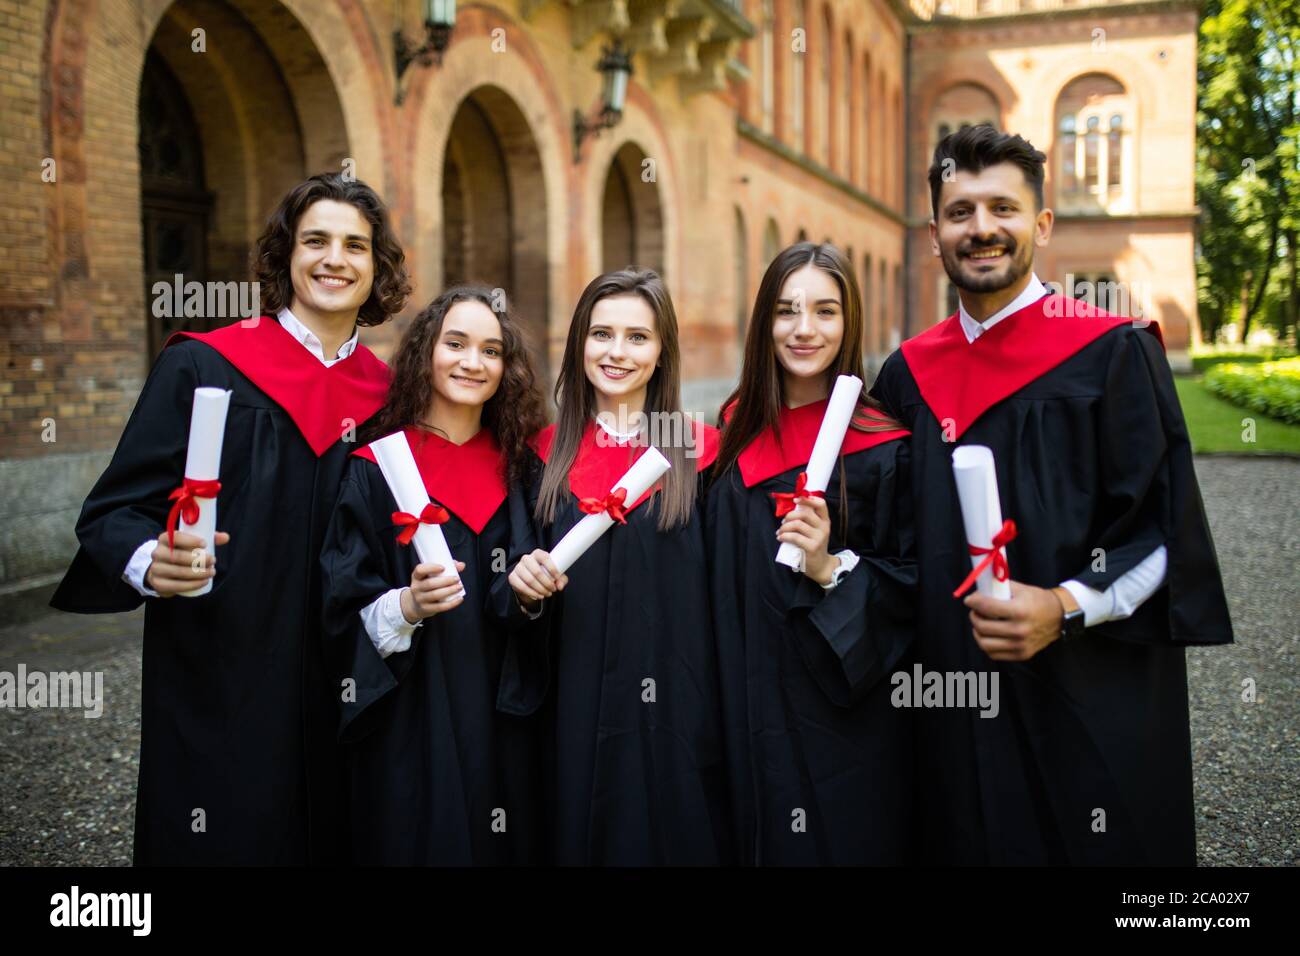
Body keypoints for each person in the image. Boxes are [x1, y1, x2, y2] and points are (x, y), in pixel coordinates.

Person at [870, 125, 1234, 865]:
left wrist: (1065, 605)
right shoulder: (907, 376)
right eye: (959, 212)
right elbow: (886, 545)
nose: (980, 229)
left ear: (1040, 223)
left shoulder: (1112, 353)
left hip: (1084, 689)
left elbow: (1165, 536)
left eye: (1001, 208)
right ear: (935, 232)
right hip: (950, 699)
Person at [51, 173, 411, 865]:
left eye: (355, 246)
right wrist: (147, 559)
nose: (334, 258)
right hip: (222, 657)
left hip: (346, 660)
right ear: (285, 257)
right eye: (315, 241)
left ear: (376, 269)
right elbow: (113, 510)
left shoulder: (389, 398)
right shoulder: (204, 365)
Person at [495, 267, 732, 865]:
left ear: (661, 353)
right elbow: (509, 596)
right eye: (601, 334)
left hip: (681, 708)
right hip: (571, 707)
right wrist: (521, 592)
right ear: (578, 345)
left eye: (638, 337)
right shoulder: (540, 457)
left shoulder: (701, 454)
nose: (617, 352)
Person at [320, 286, 547, 865]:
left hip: (503, 708)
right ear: (425, 352)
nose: (473, 362)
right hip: (409, 712)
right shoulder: (374, 471)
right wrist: (408, 605)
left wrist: (529, 595)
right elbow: (340, 609)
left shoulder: (522, 470)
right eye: (456, 344)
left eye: (492, 351)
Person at [706, 241, 916, 865]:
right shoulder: (736, 428)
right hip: (738, 689)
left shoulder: (883, 446)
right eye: (785, 310)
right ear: (763, 322)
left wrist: (830, 567)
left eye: (825, 312)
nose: (804, 330)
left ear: (849, 323)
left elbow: (913, 586)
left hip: (835, 708)